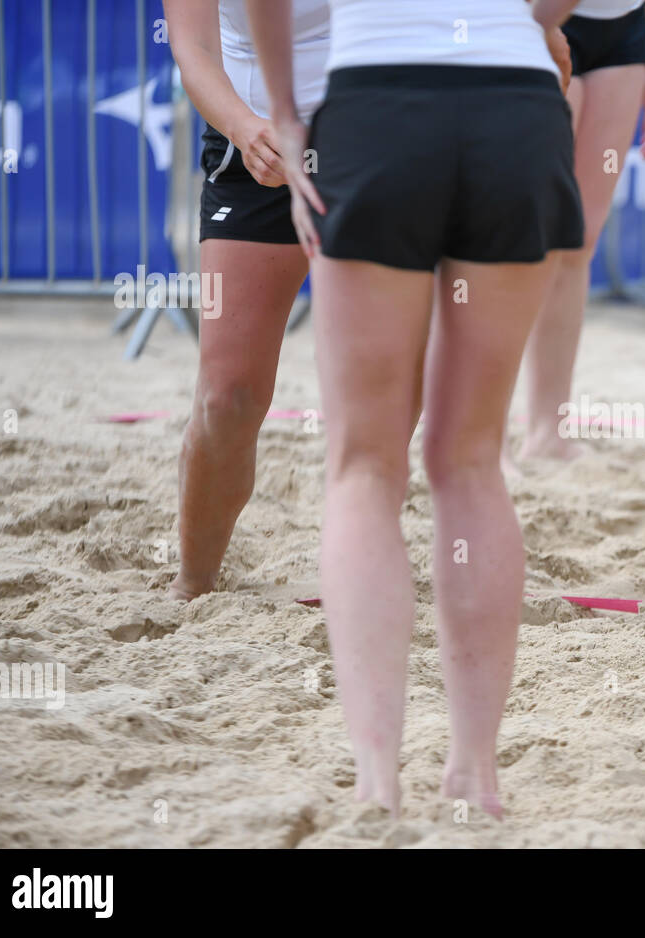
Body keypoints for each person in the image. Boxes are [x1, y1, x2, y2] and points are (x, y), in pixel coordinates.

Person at [244, 0, 585, 817]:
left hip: (379, 97)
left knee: (364, 465)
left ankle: (377, 781)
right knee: (470, 458)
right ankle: (476, 772)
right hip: (517, 103)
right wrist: (531, 21)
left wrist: (287, 116)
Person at [163, 0, 329, 600]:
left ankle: (360, 558)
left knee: (380, 385)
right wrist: (243, 126)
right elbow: (194, 48)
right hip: (256, 146)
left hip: (374, 140)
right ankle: (194, 581)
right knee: (228, 395)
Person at [511, 0, 645, 463]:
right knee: (528, 240)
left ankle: (548, 430)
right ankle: (487, 436)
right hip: (545, 17)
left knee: (578, 240)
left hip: (623, 31)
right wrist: (538, 24)